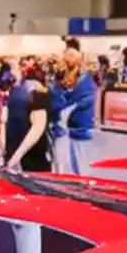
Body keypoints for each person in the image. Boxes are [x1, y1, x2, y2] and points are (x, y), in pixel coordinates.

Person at [50, 38, 97, 175]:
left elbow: (87, 98)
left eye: (71, 56)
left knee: (81, 166)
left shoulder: (85, 80)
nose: (68, 59)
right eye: (66, 56)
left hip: (79, 129)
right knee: (63, 165)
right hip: (63, 129)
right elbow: (57, 96)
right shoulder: (61, 79)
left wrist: (72, 107)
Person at [5, 62, 52, 173]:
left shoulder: (36, 90)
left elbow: (38, 127)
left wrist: (17, 156)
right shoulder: (16, 89)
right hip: (16, 152)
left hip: (31, 156)